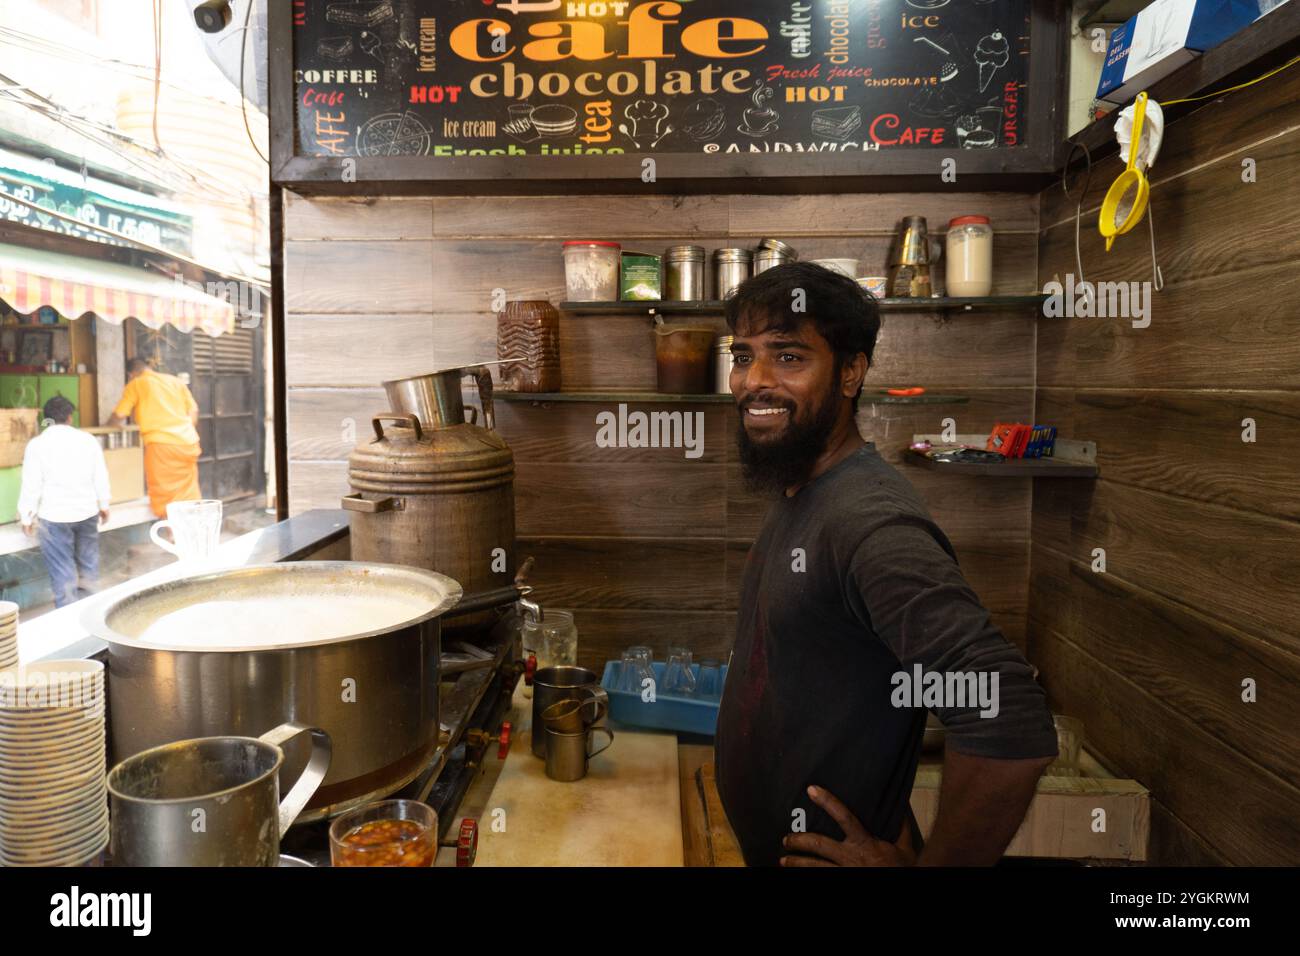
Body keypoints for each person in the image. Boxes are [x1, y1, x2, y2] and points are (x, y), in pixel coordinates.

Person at [715, 262, 1058, 867]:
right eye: (744, 356)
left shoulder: (868, 521)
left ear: (851, 372)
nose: (753, 381)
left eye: (789, 357)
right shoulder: (806, 488)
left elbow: (1008, 712)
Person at [18, 396, 111, 608]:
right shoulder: (88, 440)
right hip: (87, 512)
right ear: (70, 417)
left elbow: (32, 484)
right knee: (89, 567)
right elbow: (100, 475)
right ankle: (92, 616)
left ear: (46, 418)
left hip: (54, 517)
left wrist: (26, 515)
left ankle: (68, 624)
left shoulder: (37, 444)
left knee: (63, 573)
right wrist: (104, 505)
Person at [108, 357, 201, 518]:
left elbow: (120, 414)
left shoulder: (136, 384)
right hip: (189, 443)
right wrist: (184, 429)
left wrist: (108, 425)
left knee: (165, 490)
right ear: (149, 367)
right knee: (187, 488)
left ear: (131, 374)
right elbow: (193, 411)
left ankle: (175, 532)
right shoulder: (175, 382)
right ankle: (191, 526)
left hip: (162, 445)